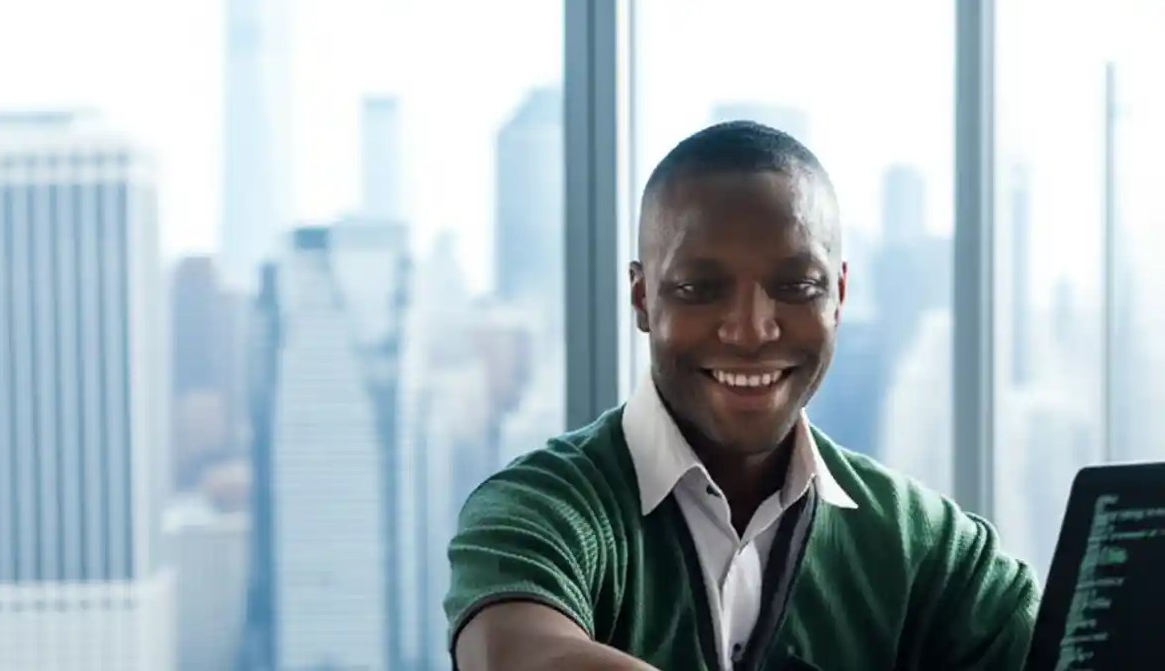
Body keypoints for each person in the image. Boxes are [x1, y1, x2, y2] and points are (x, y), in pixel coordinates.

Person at [445, 121, 1038, 671]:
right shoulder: (541, 509)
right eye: (699, 288)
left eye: (797, 286)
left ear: (840, 294)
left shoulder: (927, 546)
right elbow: (517, 656)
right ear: (643, 298)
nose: (751, 330)